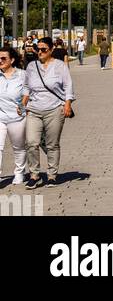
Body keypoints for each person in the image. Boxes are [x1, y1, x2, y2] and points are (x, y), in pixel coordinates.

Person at [23, 38, 74, 188]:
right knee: (31, 143)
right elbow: (26, 86)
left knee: (52, 144)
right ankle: (34, 175)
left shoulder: (60, 66)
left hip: (54, 109)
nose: (40, 52)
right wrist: (23, 103)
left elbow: (68, 85)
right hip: (34, 109)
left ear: (51, 50)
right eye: (38, 49)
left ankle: (52, 175)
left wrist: (67, 104)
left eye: (44, 49)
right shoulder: (32, 66)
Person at [0, 45, 27, 186]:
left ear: (12, 60)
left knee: (18, 147)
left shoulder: (22, 75)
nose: (0, 61)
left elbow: (28, 91)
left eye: (3, 58)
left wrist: (22, 104)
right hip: (0, 117)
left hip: (17, 117)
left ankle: (19, 173)